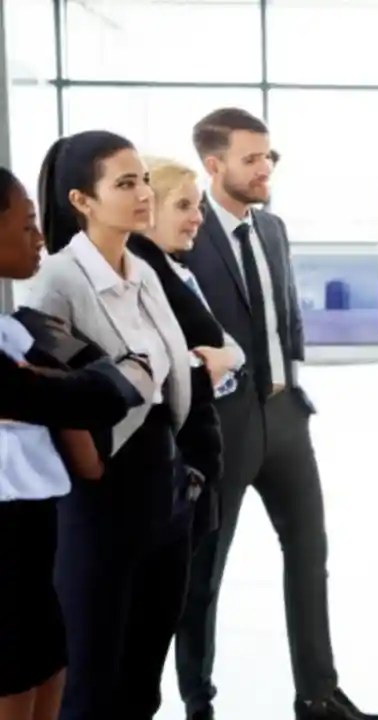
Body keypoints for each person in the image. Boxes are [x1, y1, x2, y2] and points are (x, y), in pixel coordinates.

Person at [172, 107, 378, 720]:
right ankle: (198, 700)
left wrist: (292, 384)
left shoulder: (273, 229)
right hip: (222, 424)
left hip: (284, 414)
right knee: (206, 568)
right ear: (214, 165)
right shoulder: (187, 235)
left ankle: (318, 694)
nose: (265, 167)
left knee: (309, 552)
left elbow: (285, 315)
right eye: (251, 158)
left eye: (270, 156)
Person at [25, 130, 215, 719]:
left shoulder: (145, 270)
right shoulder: (55, 280)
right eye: (125, 183)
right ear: (82, 200)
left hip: (164, 488)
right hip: (99, 497)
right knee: (92, 676)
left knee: (143, 676)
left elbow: (173, 376)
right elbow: (53, 399)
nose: (143, 194)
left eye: (144, 181)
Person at [0, 167, 152, 720]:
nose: (38, 236)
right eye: (25, 224)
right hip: (8, 545)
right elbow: (94, 395)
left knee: (47, 664)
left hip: (33, 536)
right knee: (17, 676)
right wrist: (122, 375)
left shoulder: (15, 331)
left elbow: (79, 421)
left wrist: (80, 384)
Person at [128, 156, 243, 545]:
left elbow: (231, 353)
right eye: (183, 205)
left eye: (198, 206)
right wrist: (213, 361)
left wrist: (222, 358)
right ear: (147, 208)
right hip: (170, 461)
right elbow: (187, 369)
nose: (197, 218)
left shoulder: (178, 272)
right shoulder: (142, 275)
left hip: (193, 457)